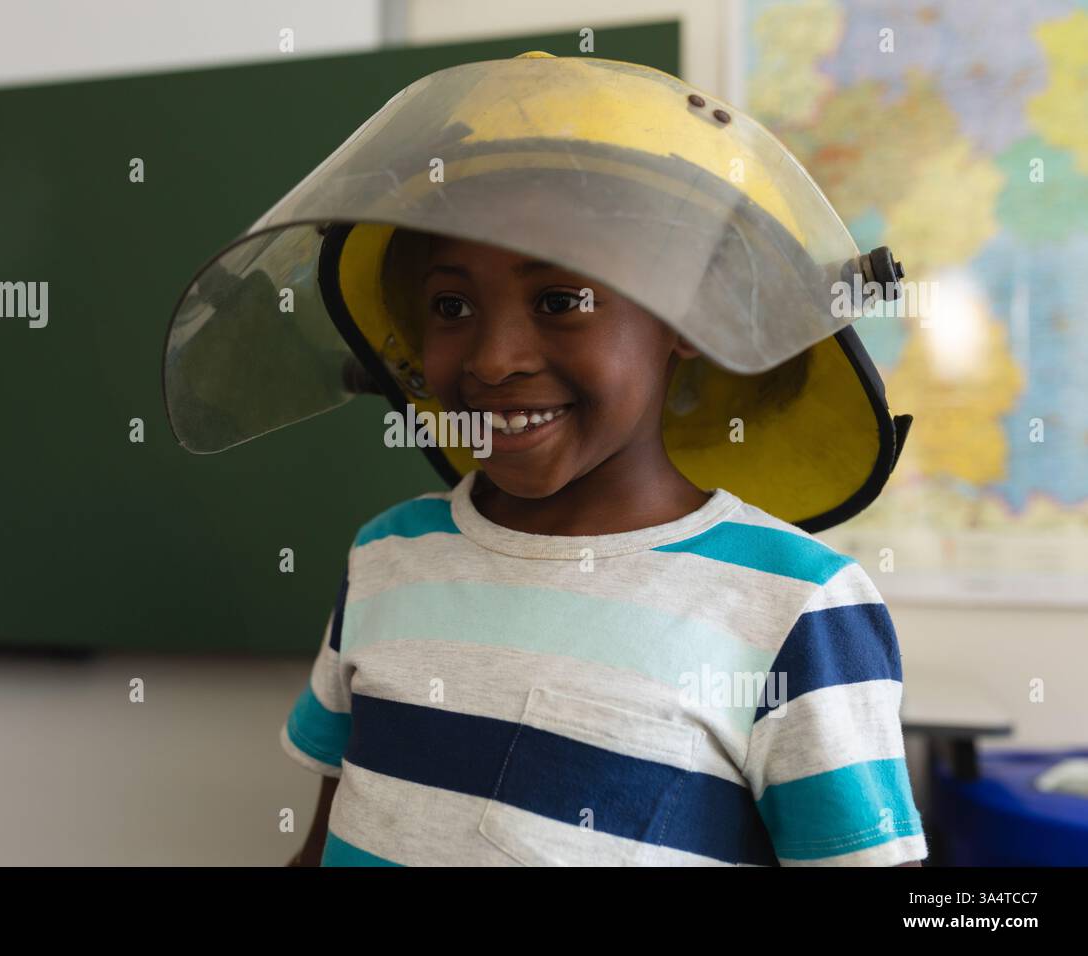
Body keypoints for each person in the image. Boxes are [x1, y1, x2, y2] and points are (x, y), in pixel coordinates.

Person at [163, 51, 924, 866]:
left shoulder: (797, 609)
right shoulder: (387, 556)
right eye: (451, 305)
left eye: (561, 300)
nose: (493, 358)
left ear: (687, 320)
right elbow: (323, 843)